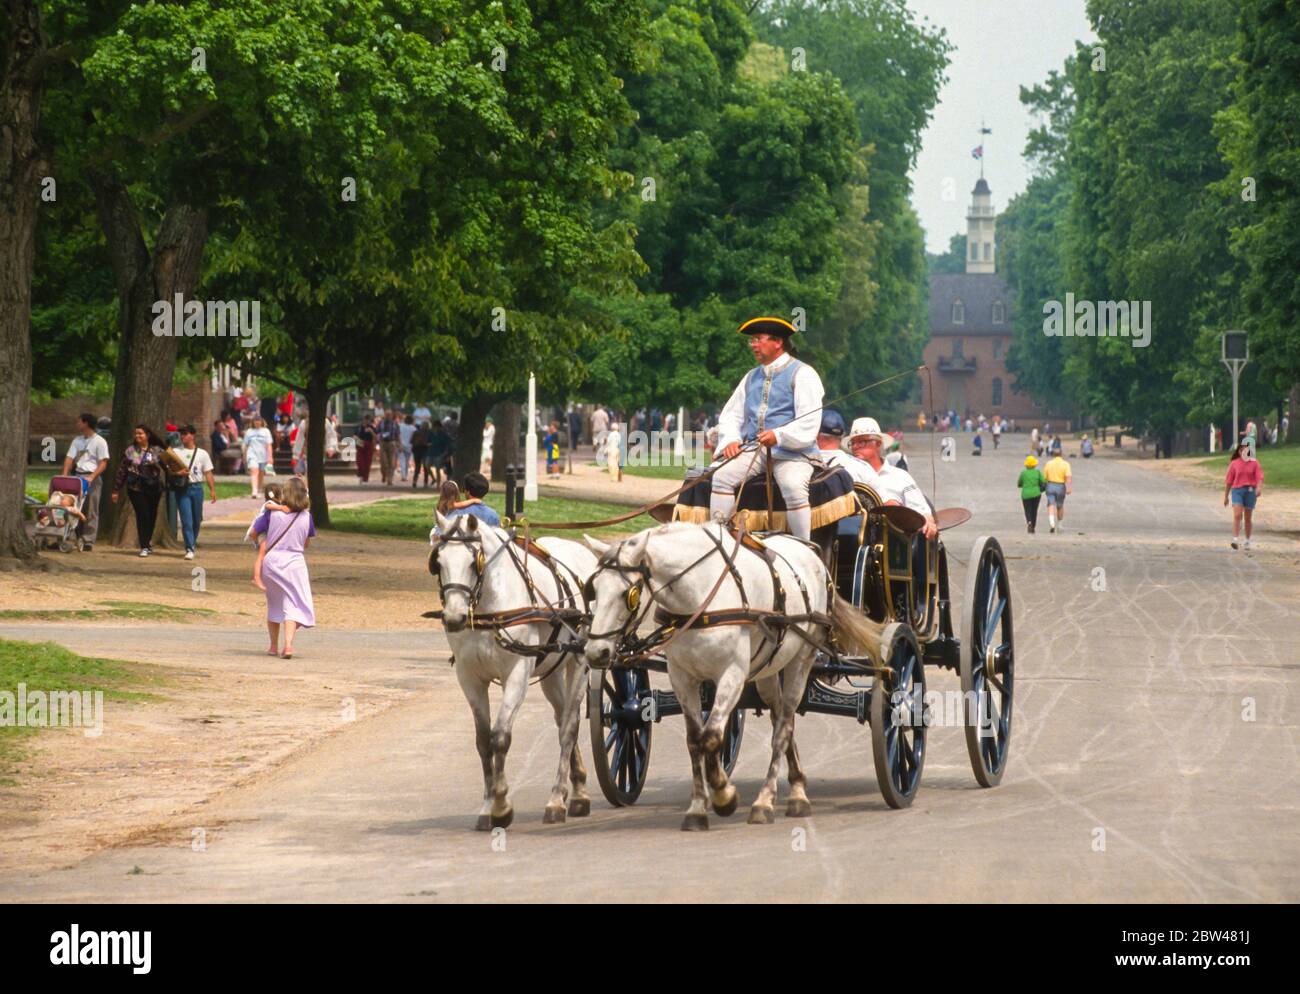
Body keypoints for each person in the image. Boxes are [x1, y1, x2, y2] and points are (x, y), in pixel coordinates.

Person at [709, 317, 823, 540]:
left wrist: (779, 435)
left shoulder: (803, 373)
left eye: (757, 339)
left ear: (778, 342)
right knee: (721, 476)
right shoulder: (751, 376)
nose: (753, 345)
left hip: (794, 454)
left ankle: (804, 546)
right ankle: (720, 540)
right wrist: (731, 439)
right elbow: (731, 414)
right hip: (755, 450)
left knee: (792, 486)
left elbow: (809, 421)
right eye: (752, 340)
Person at [252, 476, 316, 659]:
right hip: (294, 562)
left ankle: (273, 645)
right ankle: (288, 645)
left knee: (274, 604)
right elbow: (305, 544)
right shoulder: (307, 517)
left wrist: (260, 544)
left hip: (271, 562)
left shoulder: (272, 513)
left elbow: (255, 532)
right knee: (293, 604)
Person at [846, 417, 937, 539]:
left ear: (878, 444)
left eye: (862, 441)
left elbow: (922, 511)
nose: (856, 446)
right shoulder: (846, 476)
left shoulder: (900, 476)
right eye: (853, 443)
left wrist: (928, 521)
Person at [110, 425, 168, 556]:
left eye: (140, 434)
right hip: (135, 488)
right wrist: (116, 489)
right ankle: (144, 546)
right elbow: (122, 471)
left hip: (153, 488)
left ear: (147, 435)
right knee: (143, 515)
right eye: (136, 434)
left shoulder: (157, 450)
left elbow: (167, 467)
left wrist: (176, 476)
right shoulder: (131, 451)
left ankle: (148, 542)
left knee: (152, 515)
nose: (137, 436)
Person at [61, 413, 110, 551]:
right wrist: (64, 474)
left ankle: (88, 539)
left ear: (86, 423)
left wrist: (92, 476)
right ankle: (74, 535)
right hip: (77, 477)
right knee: (74, 506)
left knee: (91, 509)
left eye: (79, 422)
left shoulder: (100, 441)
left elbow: (103, 462)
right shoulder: (77, 440)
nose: (77, 424)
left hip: (91, 478)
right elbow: (69, 458)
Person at [168, 425, 218, 559]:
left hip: (197, 488)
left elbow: (208, 472)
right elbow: (169, 470)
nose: (182, 436)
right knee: (187, 520)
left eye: (185, 433)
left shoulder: (202, 453)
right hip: (183, 488)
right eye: (181, 434)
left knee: (197, 520)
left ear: (192, 435)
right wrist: (178, 472)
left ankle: (192, 542)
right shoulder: (175, 452)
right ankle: (189, 548)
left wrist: (212, 490)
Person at [1224, 440, 1264, 550]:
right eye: (1241, 449)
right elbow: (1228, 481)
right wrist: (1226, 496)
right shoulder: (1234, 463)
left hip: (1250, 492)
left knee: (1247, 517)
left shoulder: (1254, 463)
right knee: (1237, 515)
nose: (1243, 451)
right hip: (1237, 490)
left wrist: (1258, 488)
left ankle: (1247, 540)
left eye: (1246, 449)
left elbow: (1259, 477)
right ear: (1239, 450)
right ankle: (1235, 540)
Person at [241, 416, 274, 498]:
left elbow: (269, 445)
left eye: (258, 421)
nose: (257, 423)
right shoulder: (249, 432)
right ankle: (254, 491)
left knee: (261, 473)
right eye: (255, 421)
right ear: (253, 422)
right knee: (254, 471)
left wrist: (270, 457)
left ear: (262, 422)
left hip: (263, 455)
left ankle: (259, 489)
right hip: (252, 454)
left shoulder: (266, 431)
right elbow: (245, 444)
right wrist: (244, 455)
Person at [1042, 448, 1072, 534]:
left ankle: (1052, 523)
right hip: (1061, 486)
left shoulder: (1048, 463)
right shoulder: (1066, 464)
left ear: (1053, 455)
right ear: (1061, 454)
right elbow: (1068, 477)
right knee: (1060, 506)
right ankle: (1060, 524)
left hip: (1050, 485)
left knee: (1051, 504)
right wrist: (1069, 488)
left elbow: (1044, 477)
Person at [1017, 456, 1046, 534]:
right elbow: (1043, 482)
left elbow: (1019, 483)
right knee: (1034, 510)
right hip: (1036, 494)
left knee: (1027, 510)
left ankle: (1029, 522)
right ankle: (1033, 525)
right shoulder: (1037, 472)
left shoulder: (1023, 473)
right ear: (1035, 465)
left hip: (1025, 494)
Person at [377, 410, 400, 485]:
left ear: (391, 415)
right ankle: (384, 475)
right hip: (383, 443)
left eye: (389, 415)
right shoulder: (381, 423)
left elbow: (398, 434)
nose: (388, 416)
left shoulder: (395, 424)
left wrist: (400, 444)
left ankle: (390, 479)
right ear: (384, 415)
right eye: (387, 415)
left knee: (392, 463)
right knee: (384, 463)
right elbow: (377, 432)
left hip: (391, 443)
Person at [354, 414, 377, 483]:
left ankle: (365, 478)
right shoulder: (359, 427)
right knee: (360, 461)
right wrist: (356, 439)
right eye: (365, 420)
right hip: (360, 444)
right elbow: (354, 435)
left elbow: (375, 437)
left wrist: (371, 431)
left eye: (368, 420)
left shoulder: (372, 427)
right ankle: (361, 474)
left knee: (368, 462)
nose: (367, 422)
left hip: (369, 445)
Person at [410, 421, 430, 489]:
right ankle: (425, 482)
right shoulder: (429, 433)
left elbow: (411, 441)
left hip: (417, 451)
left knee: (417, 467)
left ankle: (414, 481)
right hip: (425, 451)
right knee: (426, 467)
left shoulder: (416, 432)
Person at [398, 414, 416, 482]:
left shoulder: (400, 425)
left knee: (402, 460)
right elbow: (413, 438)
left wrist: (400, 444)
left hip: (401, 445)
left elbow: (398, 435)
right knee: (407, 461)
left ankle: (403, 476)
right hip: (409, 446)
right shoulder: (413, 428)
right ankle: (405, 475)